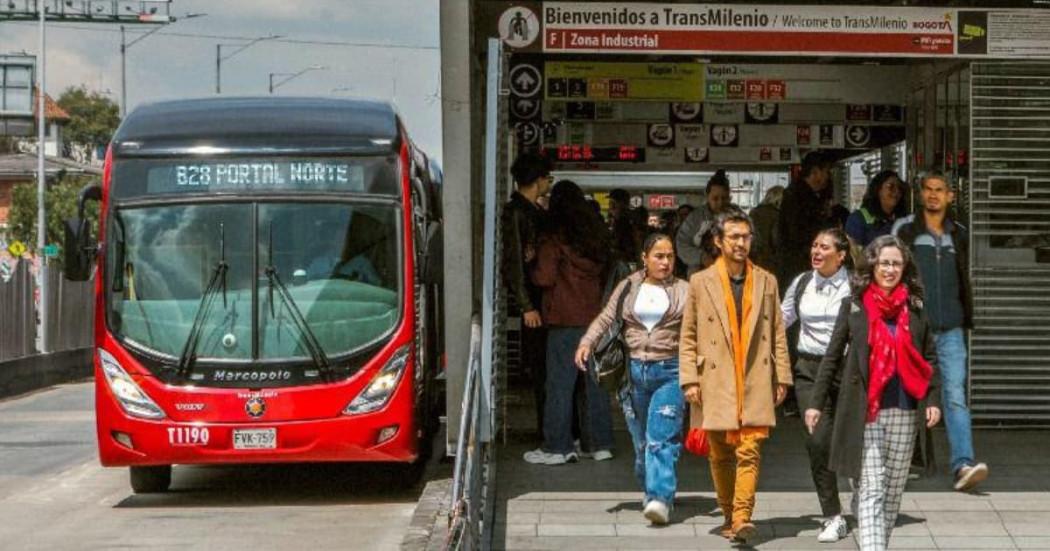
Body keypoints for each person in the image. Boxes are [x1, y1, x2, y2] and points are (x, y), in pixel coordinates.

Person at [805, 235, 942, 551]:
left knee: (892, 492)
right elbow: (832, 355)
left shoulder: (916, 307)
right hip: (866, 411)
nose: (890, 269)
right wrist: (816, 403)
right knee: (871, 489)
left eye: (896, 263)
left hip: (906, 410)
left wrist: (933, 401)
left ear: (904, 267)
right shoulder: (854, 306)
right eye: (884, 263)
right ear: (872, 266)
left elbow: (930, 357)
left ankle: (877, 538)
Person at [679, 211, 792, 544]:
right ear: (718, 241)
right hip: (714, 379)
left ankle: (742, 517)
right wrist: (689, 379)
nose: (742, 243)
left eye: (746, 237)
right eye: (734, 237)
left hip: (755, 376)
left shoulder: (767, 281)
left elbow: (777, 333)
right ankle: (729, 514)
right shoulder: (700, 282)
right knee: (720, 453)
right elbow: (688, 335)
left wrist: (781, 375)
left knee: (749, 449)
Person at [575, 233, 689, 525]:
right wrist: (587, 342)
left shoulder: (685, 290)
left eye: (670, 256)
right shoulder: (628, 286)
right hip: (633, 372)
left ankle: (660, 499)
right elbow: (606, 317)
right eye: (659, 256)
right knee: (641, 443)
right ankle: (650, 489)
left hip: (671, 371)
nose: (665, 262)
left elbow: (698, 331)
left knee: (661, 440)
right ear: (644, 258)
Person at [893, 171, 988, 492]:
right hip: (914, 327)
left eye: (940, 190)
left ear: (950, 196)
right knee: (905, 393)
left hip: (951, 330)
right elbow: (893, 273)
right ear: (920, 195)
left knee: (955, 397)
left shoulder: (958, 234)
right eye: (928, 190)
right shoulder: (904, 230)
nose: (934, 195)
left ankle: (963, 464)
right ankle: (901, 460)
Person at [526, 180, 614, 465]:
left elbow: (545, 277)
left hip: (564, 319)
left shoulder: (554, 238)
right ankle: (599, 444)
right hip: (595, 318)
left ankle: (557, 447)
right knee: (595, 385)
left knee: (560, 385)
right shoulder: (595, 238)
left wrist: (531, 261)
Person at [780, 228, 853, 543]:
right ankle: (833, 515)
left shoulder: (856, 286)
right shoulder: (802, 283)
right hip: (810, 369)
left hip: (848, 369)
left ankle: (866, 497)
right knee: (818, 441)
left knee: (852, 440)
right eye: (814, 245)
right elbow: (781, 320)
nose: (817, 251)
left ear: (841, 255)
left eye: (825, 247)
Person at [503, 152, 552, 439]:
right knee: (541, 368)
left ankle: (548, 427)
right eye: (547, 177)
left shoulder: (526, 212)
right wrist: (526, 306)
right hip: (535, 302)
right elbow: (514, 264)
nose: (549, 183)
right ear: (537, 180)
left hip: (538, 300)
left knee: (543, 368)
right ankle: (546, 429)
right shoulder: (518, 214)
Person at [778, 151, 836, 293]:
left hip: (805, 265)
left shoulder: (814, 197)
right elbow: (798, 234)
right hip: (799, 267)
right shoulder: (797, 198)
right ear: (815, 172)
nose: (829, 177)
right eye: (826, 172)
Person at [675, 170, 738, 275]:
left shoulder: (738, 216)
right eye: (715, 198)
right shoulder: (695, 218)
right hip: (700, 273)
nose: (720, 203)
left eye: (724, 198)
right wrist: (701, 257)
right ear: (707, 197)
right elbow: (681, 245)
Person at [847, 170, 908, 262]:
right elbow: (854, 257)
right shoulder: (858, 219)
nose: (896, 192)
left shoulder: (903, 221)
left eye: (900, 188)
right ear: (878, 189)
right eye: (891, 187)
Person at [748, 185, 784, 272]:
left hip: (753, 259)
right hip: (770, 262)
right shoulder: (777, 215)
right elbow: (776, 240)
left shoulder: (753, 213)